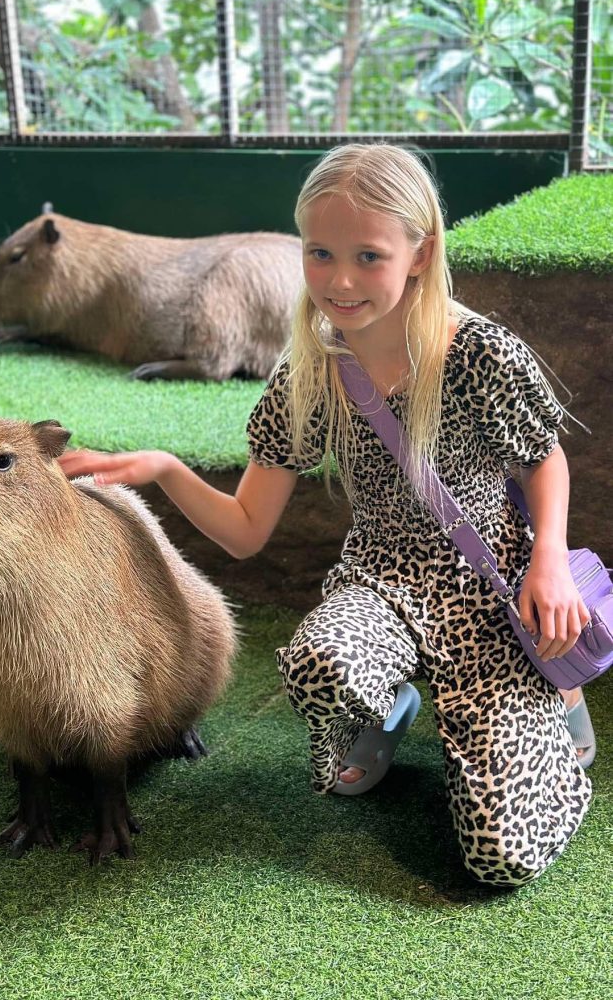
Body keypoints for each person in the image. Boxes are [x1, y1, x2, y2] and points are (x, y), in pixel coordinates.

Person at [57, 143, 594, 886]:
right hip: (382, 576)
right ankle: (387, 708)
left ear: (419, 251)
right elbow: (246, 531)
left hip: (487, 584)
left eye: (368, 256)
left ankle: (548, 692)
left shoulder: (477, 352)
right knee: (321, 661)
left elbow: (543, 458)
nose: (339, 280)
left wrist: (547, 565)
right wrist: (164, 470)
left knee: (501, 857)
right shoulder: (310, 370)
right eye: (319, 252)